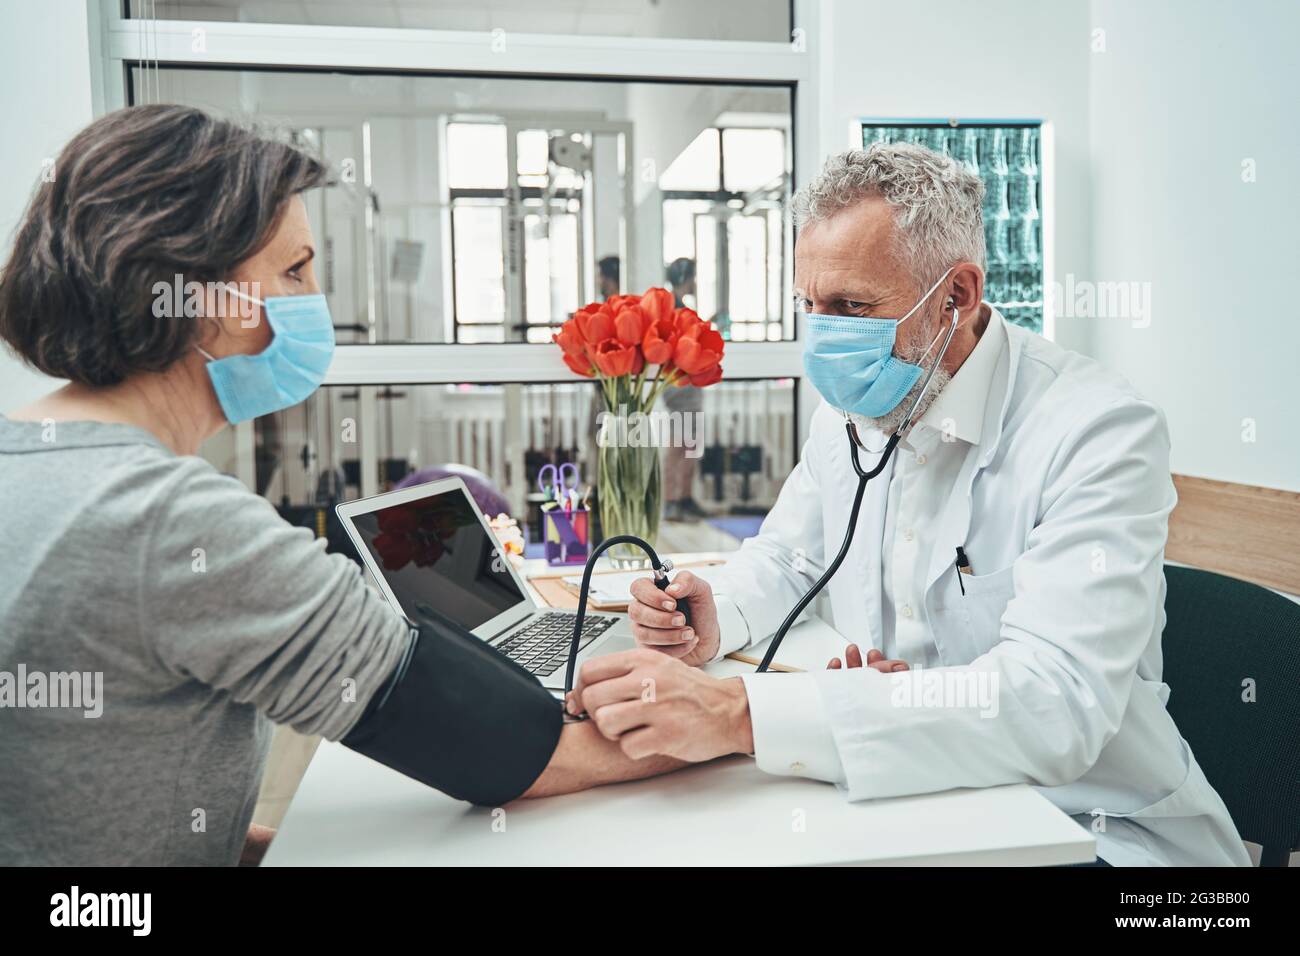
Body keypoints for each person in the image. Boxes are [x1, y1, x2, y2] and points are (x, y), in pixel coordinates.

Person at [0, 105, 675, 866]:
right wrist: (730, 722)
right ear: (189, 293)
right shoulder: (165, 519)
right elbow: (513, 750)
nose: (315, 297)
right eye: (294, 269)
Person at [570, 143, 1250, 866]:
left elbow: (1055, 704)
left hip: (1091, 830)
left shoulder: (1097, 429)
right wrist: (716, 611)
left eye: (851, 307)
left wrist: (742, 713)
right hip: (920, 799)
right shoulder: (855, 408)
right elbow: (791, 558)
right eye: (810, 305)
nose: (825, 335)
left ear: (956, 294)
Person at [662, 258, 706, 520]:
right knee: (681, 444)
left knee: (689, 443)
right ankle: (673, 502)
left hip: (684, 382)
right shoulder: (675, 309)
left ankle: (683, 498)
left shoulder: (678, 308)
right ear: (685, 278)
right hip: (680, 384)